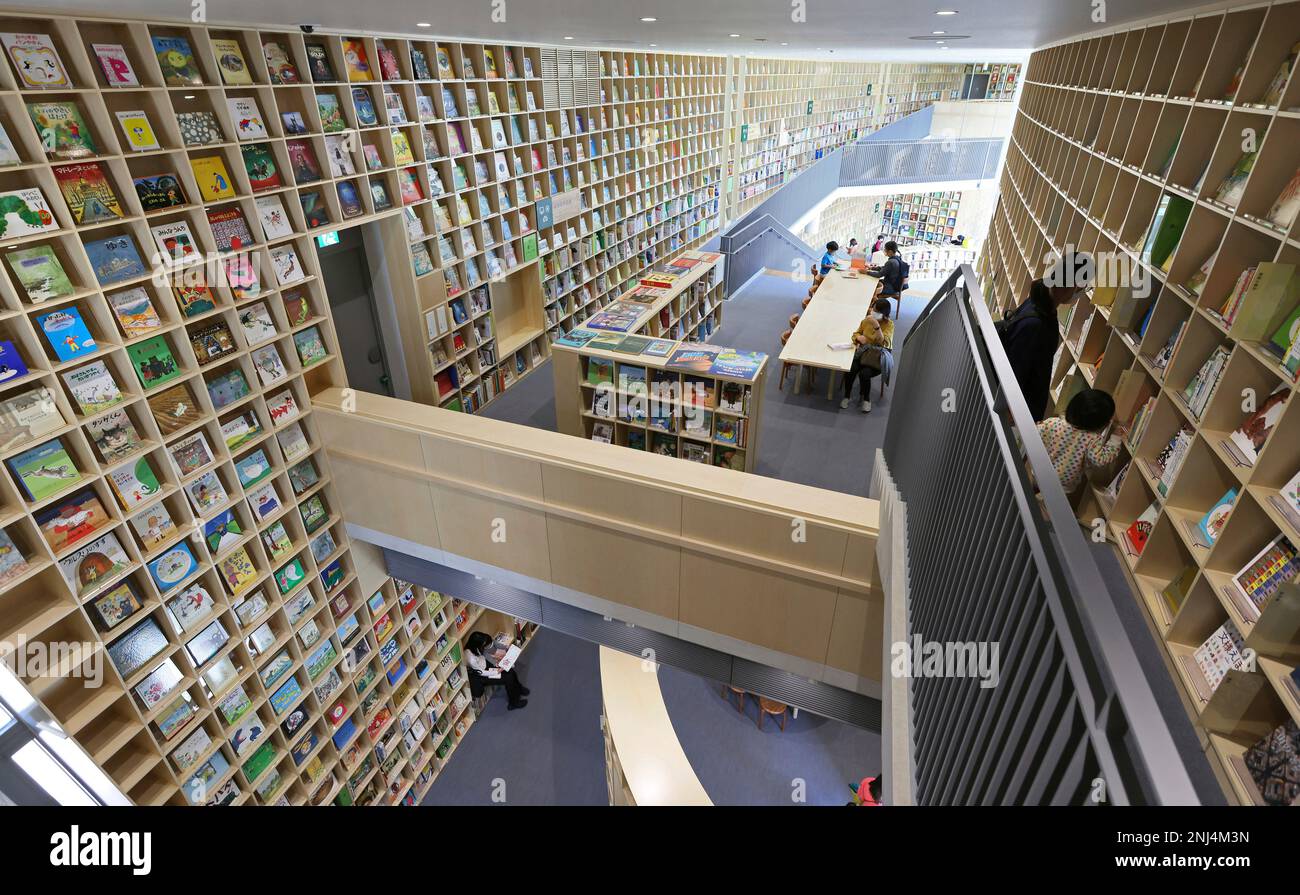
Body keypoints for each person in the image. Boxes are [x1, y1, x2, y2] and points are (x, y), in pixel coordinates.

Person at [1000, 251, 1093, 422]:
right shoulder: (1037, 324)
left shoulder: (1039, 300)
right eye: (1082, 287)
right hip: (1017, 414)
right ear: (1072, 285)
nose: (1080, 293)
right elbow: (1014, 373)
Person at [1037, 388, 1124, 493]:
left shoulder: (1052, 423)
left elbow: (1035, 434)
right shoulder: (1092, 439)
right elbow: (1100, 459)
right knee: (1050, 506)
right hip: (1062, 485)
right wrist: (1115, 439)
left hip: (1039, 470)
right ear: (1100, 423)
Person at [840, 297, 894, 412]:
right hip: (863, 352)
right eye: (872, 309)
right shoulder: (867, 320)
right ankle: (847, 396)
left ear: (883, 314)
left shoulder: (889, 325)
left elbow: (884, 342)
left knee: (865, 374)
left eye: (876, 311)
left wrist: (876, 326)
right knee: (851, 368)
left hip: (877, 356)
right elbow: (856, 333)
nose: (872, 312)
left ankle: (866, 399)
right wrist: (858, 337)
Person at [465, 630, 530, 710]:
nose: (485, 645)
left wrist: (498, 659)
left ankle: (519, 688)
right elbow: (481, 672)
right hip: (482, 675)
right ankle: (513, 703)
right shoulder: (470, 658)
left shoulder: (475, 646)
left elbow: (487, 652)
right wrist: (497, 671)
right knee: (508, 678)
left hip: (485, 664)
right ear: (478, 644)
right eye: (484, 644)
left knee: (510, 671)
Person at [867, 240, 905, 308]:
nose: (884, 251)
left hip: (890, 288)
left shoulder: (891, 262)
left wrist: (867, 272)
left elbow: (879, 275)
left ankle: (872, 307)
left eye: (885, 249)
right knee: (874, 283)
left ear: (890, 251)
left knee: (870, 288)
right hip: (895, 286)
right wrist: (872, 268)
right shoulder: (898, 259)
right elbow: (884, 268)